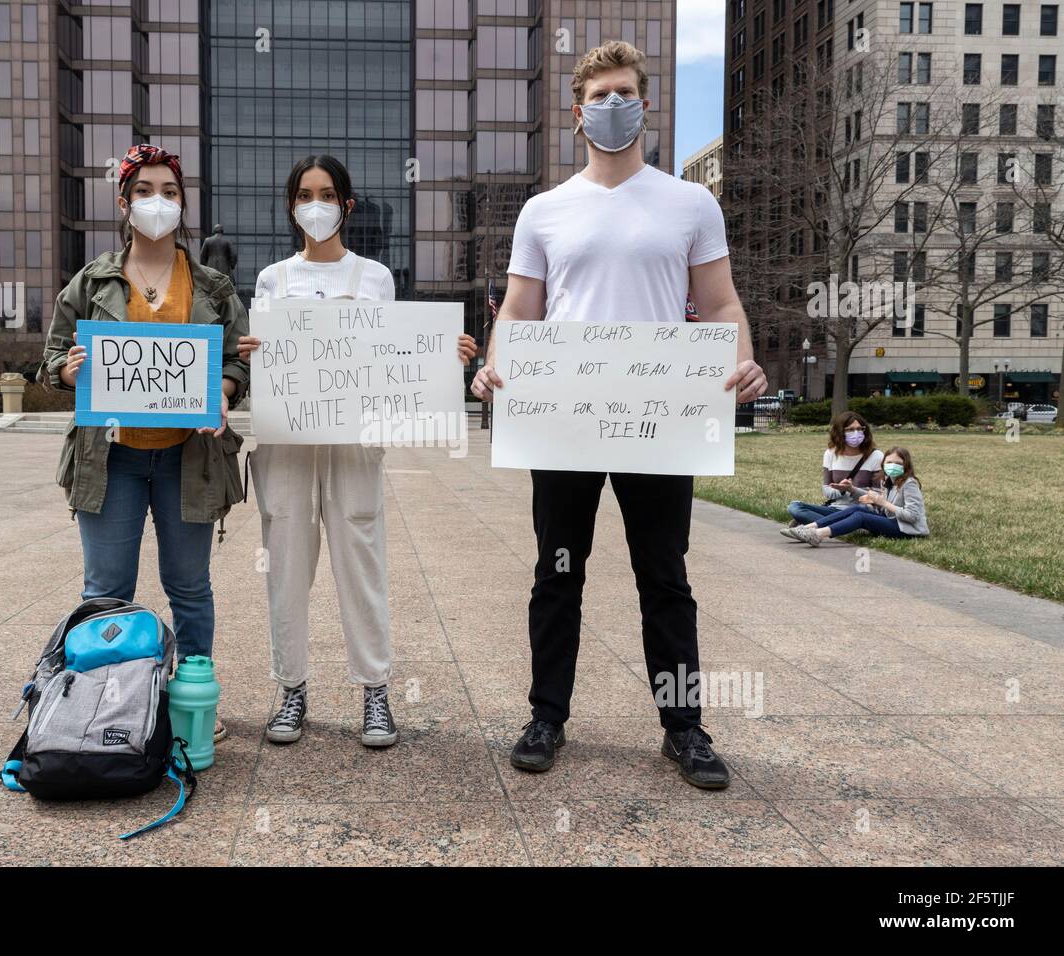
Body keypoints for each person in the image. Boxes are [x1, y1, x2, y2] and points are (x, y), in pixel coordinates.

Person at [470, 42, 767, 788]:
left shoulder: (690, 203)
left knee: (664, 575)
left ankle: (684, 727)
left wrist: (741, 358)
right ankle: (547, 716)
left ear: (644, 103)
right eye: (599, 95)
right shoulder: (544, 211)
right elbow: (518, 309)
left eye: (624, 92)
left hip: (658, 419)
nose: (613, 105)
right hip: (565, 419)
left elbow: (722, 303)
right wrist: (495, 362)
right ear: (577, 114)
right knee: (557, 573)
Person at [238, 155, 477, 748]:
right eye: (303, 195)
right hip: (289, 443)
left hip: (354, 443)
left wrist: (446, 358)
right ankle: (291, 688)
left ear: (345, 204)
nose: (314, 205)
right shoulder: (272, 279)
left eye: (326, 194)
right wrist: (254, 356)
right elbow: (268, 361)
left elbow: (397, 360)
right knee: (286, 563)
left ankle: (375, 691)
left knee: (362, 560)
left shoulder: (375, 278)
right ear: (292, 206)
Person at [39, 144, 250, 743]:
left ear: (183, 204)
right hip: (111, 458)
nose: (158, 201)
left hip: (189, 458)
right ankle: (106, 704)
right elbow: (51, 358)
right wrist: (67, 371)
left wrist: (226, 390)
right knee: (106, 590)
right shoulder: (93, 280)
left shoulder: (212, 284)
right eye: (145, 191)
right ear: (124, 202)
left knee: (190, 588)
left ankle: (191, 699)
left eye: (170, 191)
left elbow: (237, 359)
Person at [784, 447, 928, 544]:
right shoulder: (888, 481)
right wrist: (853, 490)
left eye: (898, 463)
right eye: (889, 462)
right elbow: (881, 505)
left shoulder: (909, 484)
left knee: (861, 516)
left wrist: (882, 503)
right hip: (891, 520)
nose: (893, 465)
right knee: (859, 509)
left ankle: (818, 535)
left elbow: (912, 516)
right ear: (883, 464)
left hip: (906, 529)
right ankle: (807, 528)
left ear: (906, 465)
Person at [786, 412, 885, 525]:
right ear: (840, 432)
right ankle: (841, 525)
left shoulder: (876, 456)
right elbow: (827, 490)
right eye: (850, 430)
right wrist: (841, 490)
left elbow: (878, 495)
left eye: (859, 429)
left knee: (858, 513)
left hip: (862, 510)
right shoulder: (830, 454)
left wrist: (852, 490)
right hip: (836, 509)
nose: (856, 433)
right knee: (795, 507)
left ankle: (819, 524)